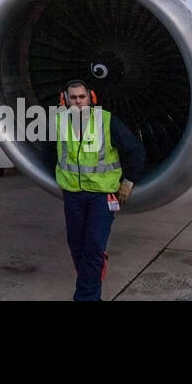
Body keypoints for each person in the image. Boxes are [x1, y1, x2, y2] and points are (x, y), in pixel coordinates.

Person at [44, 79, 145, 301]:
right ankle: (94, 273)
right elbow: (47, 154)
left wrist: (127, 183)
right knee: (77, 246)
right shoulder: (58, 123)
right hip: (73, 195)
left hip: (102, 196)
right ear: (65, 100)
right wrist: (60, 179)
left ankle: (86, 297)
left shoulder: (107, 122)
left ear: (91, 98)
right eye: (73, 98)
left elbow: (136, 151)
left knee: (93, 245)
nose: (78, 102)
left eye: (82, 97)